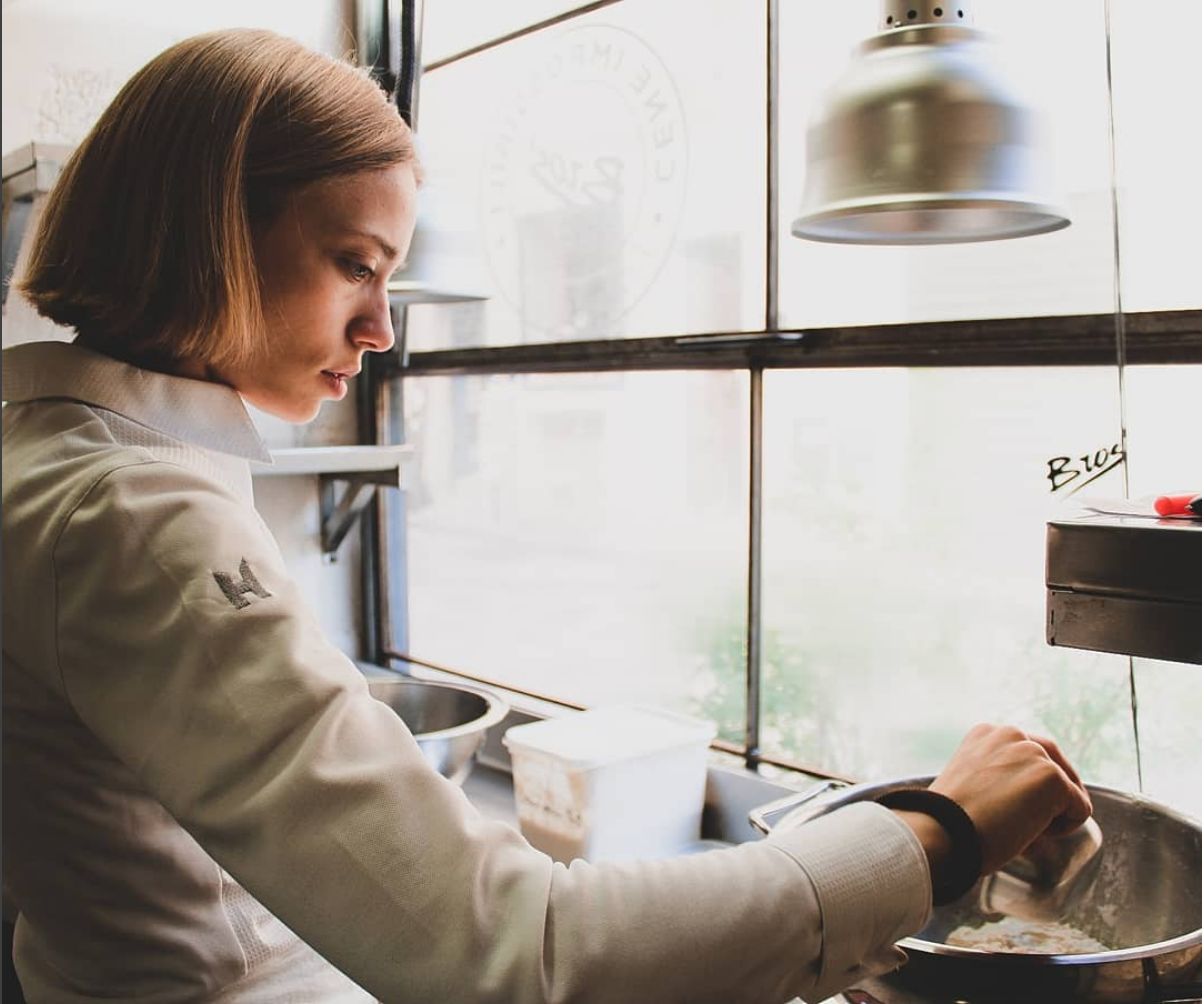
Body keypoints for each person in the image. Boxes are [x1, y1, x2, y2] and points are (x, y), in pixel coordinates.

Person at [1, 27, 1093, 1004]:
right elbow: (516, 953)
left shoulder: (68, 463)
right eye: (354, 264)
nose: (382, 326)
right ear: (213, 232)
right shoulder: (132, 516)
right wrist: (937, 835)